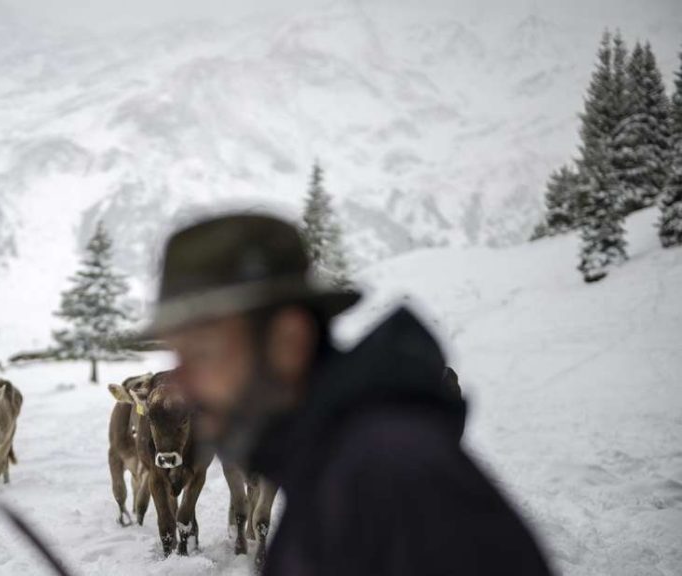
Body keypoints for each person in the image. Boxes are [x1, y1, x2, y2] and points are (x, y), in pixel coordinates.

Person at [143, 214, 552, 576]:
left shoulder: (395, 479)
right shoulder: (332, 465)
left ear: (288, 339)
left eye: (202, 354)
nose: (186, 386)